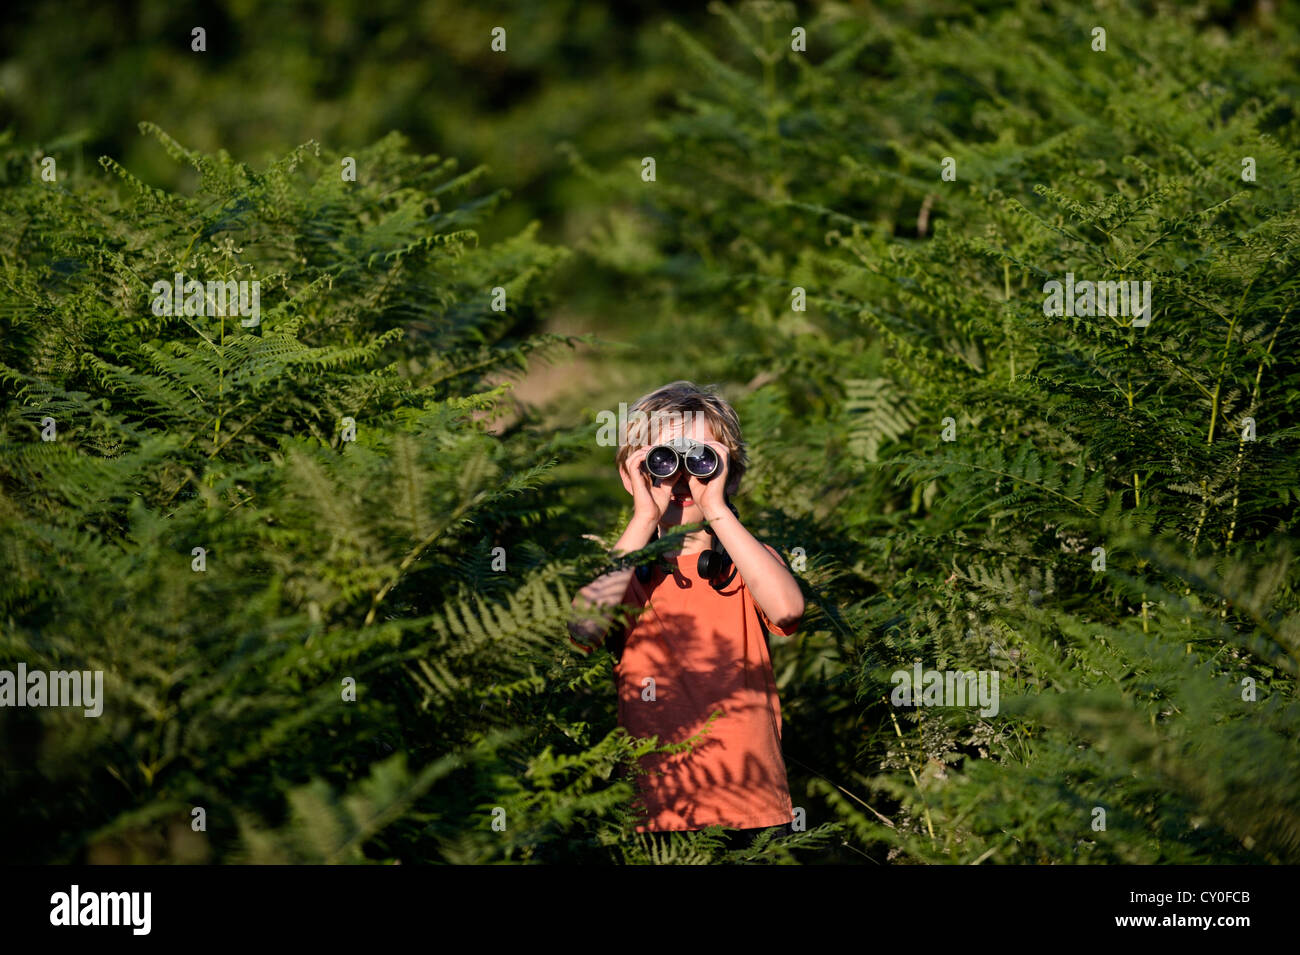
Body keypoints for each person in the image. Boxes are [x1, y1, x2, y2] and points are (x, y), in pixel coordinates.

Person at [567, 381, 805, 852]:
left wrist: (716, 508)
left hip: (748, 803)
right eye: (662, 462)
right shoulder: (628, 572)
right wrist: (642, 517)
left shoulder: (745, 563)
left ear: (728, 474)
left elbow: (788, 609)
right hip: (656, 808)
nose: (681, 479)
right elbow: (583, 627)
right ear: (632, 473)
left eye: (699, 460)